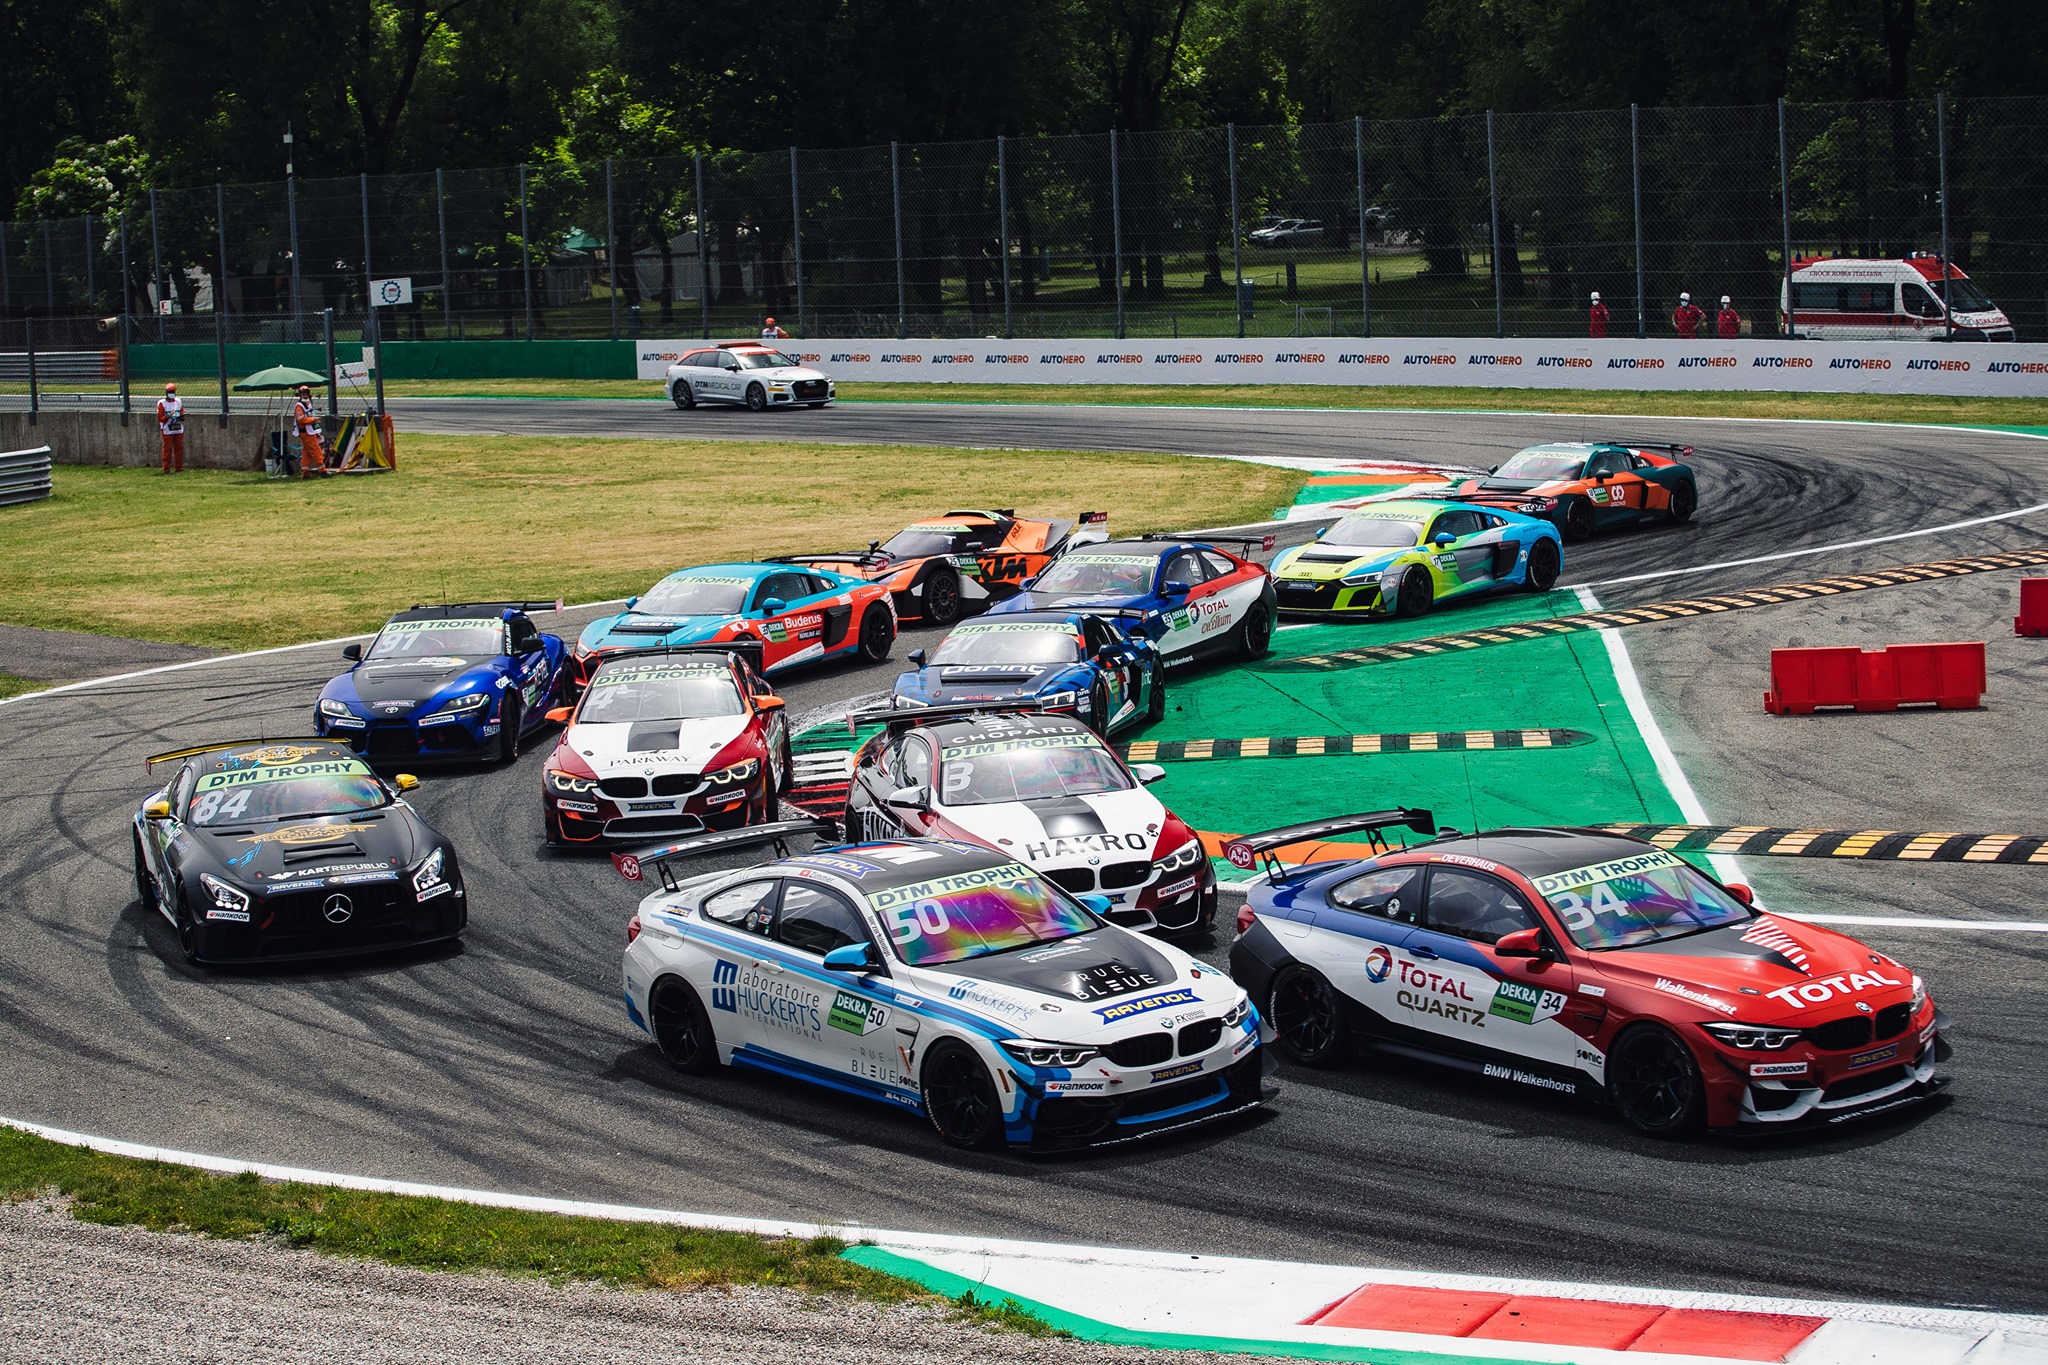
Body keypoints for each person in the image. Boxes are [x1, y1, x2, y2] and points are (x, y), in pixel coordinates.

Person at [292, 385, 329, 477]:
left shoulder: (308, 404)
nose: (305, 396)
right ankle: (323, 471)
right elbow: (301, 420)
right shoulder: (299, 406)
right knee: (316, 451)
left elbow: (312, 418)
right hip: (305, 432)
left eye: (306, 394)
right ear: (300, 395)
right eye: (303, 394)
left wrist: (317, 432)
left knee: (307, 452)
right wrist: (313, 419)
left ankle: (305, 472)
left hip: (310, 431)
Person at [156, 383, 185, 473]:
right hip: (167, 430)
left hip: (178, 428)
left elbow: (182, 413)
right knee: (167, 449)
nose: (171, 393)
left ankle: (179, 468)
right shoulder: (162, 403)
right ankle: (166, 468)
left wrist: (181, 416)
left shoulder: (178, 401)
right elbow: (160, 418)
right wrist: (168, 416)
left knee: (179, 449)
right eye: (169, 392)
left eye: (173, 392)